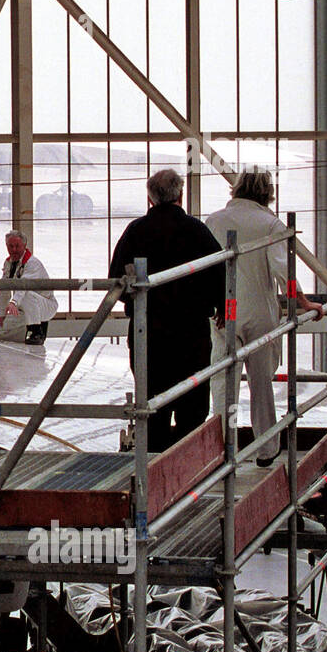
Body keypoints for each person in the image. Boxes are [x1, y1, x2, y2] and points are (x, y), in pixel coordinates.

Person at [205, 167, 323, 466]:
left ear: (237, 189)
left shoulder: (213, 221)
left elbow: (206, 268)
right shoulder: (270, 224)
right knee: (261, 384)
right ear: (267, 193)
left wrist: (212, 306)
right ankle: (267, 448)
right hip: (260, 312)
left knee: (223, 382)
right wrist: (305, 303)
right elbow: (285, 273)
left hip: (223, 311)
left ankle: (223, 446)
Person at [108, 168, 225, 453]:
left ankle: (152, 471)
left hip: (149, 333)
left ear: (149, 198)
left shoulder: (135, 232)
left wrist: (136, 303)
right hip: (191, 334)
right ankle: (188, 472)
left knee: (152, 408)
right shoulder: (198, 231)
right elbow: (220, 273)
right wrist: (219, 307)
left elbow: (117, 281)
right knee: (192, 407)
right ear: (181, 196)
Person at [0, 230, 58, 345]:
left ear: (24, 246)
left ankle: (36, 331)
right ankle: (28, 330)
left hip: (44, 305)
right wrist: (1, 314)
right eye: (10, 246)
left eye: (17, 246)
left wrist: (13, 302)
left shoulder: (33, 263)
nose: (14, 250)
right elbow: (3, 289)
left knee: (28, 293)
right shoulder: (8, 264)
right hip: (23, 308)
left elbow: (24, 285)